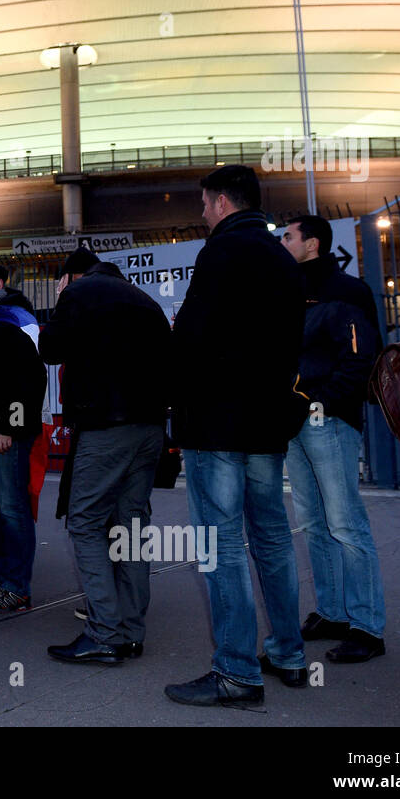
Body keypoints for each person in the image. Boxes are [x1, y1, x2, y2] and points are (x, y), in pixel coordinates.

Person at [164, 164, 307, 709]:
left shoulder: (220, 253)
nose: (201, 214)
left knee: (221, 544)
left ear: (222, 202)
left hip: (217, 423)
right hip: (265, 425)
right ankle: (289, 654)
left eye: (203, 204)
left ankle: (236, 672)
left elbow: (194, 340)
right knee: (271, 537)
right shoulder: (280, 257)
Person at [39, 246, 171, 664]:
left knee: (86, 521)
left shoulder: (80, 293)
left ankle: (104, 632)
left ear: (72, 276)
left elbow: (50, 349)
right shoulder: (144, 300)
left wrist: (64, 299)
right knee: (131, 524)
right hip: (150, 426)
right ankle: (131, 630)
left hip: (105, 425)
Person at [279, 215, 386, 663]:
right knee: (314, 523)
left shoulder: (346, 291)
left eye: (288, 236)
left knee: (345, 523)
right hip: (294, 421)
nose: (281, 242)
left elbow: (362, 358)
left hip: (330, 419)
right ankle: (333, 612)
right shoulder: (286, 290)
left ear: (313, 244)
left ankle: (367, 627)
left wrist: (318, 400)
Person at [0, 259, 46, 613]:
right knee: (3, 508)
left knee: (12, 509)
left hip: (6, 432)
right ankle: (3, 580)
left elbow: (26, 377)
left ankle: (15, 586)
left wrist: (7, 425)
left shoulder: (12, 318)